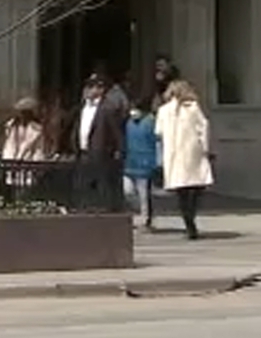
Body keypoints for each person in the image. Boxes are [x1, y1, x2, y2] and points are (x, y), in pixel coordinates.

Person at [157, 79, 214, 240]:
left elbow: (159, 132)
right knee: (195, 188)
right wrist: (206, 148)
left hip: (175, 154)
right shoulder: (193, 108)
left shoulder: (164, 110)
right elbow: (203, 128)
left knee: (182, 190)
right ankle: (191, 217)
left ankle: (188, 220)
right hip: (192, 152)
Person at [70, 74, 126, 211]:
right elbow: (78, 127)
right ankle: (84, 209)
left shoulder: (107, 108)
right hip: (83, 153)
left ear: (100, 89)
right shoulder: (83, 107)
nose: (88, 91)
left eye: (93, 87)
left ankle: (105, 211)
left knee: (102, 185)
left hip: (101, 154)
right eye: (88, 87)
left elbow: (116, 133)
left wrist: (119, 150)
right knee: (82, 184)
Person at [123, 98, 160, 230]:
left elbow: (157, 142)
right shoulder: (129, 123)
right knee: (128, 191)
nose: (133, 112)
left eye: (136, 110)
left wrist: (157, 161)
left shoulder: (151, 122)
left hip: (145, 163)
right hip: (130, 162)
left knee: (144, 194)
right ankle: (138, 213)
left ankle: (146, 219)